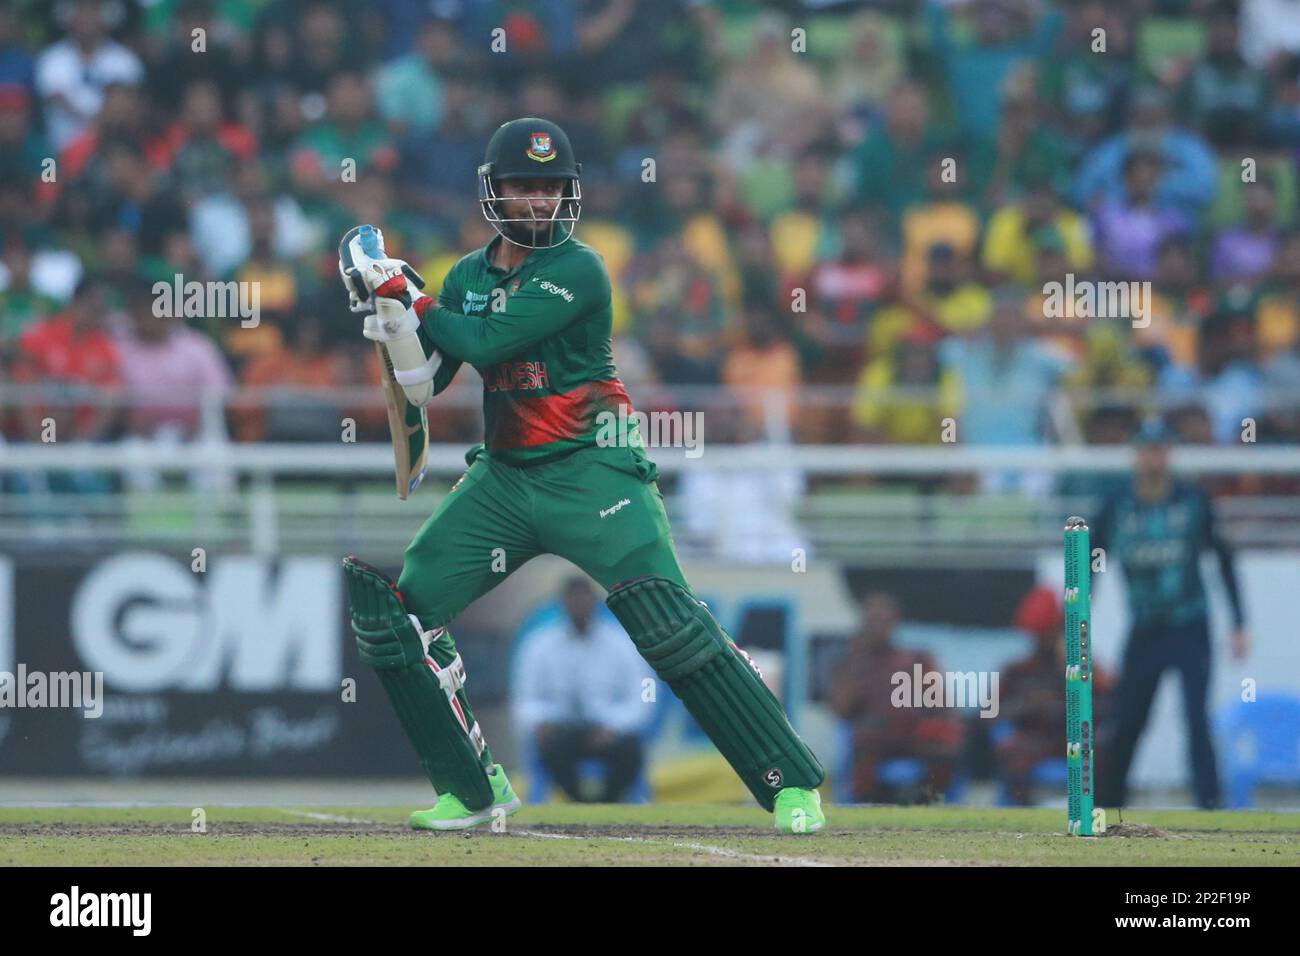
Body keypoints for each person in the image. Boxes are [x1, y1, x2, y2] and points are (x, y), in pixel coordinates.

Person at [338, 117, 825, 832]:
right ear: (493, 193)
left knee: (669, 625)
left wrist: (408, 295)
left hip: (596, 471)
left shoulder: (580, 269)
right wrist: (396, 319)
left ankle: (792, 784)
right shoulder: (468, 277)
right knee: (400, 618)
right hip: (504, 479)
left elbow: (480, 339)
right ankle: (473, 790)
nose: (538, 203)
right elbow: (427, 386)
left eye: (550, 189)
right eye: (523, 188)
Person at [1093, 420, 1250, 809]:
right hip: (1144, 627)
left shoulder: (1193, 500)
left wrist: (1239, 623)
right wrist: (1072, 623)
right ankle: (1110, 804)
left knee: (1196, 718)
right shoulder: (1116, 505)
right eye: (1147, 451)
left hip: (1190, 625)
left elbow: (1224, 558)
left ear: (1169, 454)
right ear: (1135, 456)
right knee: (1128, 719)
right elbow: (1087, 562)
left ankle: (1210, 805)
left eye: (1160, 450)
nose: (1153, 459)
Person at [513, 576, 654, 803]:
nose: (579, 606)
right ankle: (578, 802)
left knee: (631, 750)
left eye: (584, 600)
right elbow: (525, 699)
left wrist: (615, 726)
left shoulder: (620, 644)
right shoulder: (539, 644)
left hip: (607, 729)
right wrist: (541, 720)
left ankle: (608, 802)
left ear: (594, 603)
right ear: (563, 603)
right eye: (574, 600)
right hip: (562, 728)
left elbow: (643, 695)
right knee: (550, 747)